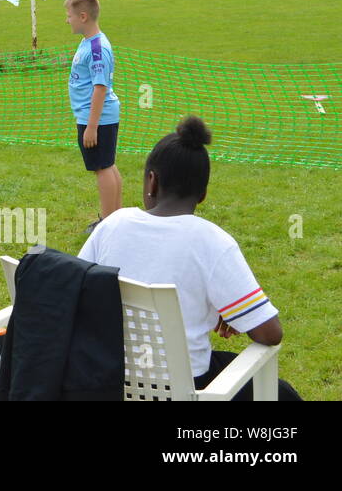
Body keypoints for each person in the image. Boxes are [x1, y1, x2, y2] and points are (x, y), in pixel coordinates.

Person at [79, 116, 301, 400]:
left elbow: (80, 288)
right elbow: (270, 334)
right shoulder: (213, 242)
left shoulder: (112, 224)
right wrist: (223, 305)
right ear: (204, 194)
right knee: (280, 393)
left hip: (103, 379)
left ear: (152, 181)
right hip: (185, 388)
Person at [65, 0, 121, 232]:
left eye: (70, 16)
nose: (68, 20)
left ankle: (108, 225)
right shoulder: (88, 42)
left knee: (102, 168)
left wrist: (91, 126)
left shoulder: (98, 48)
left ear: (84, 17)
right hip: (95, 116)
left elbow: (100, 87)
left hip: (96, 117)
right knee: (107, 165)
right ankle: (116, 220)